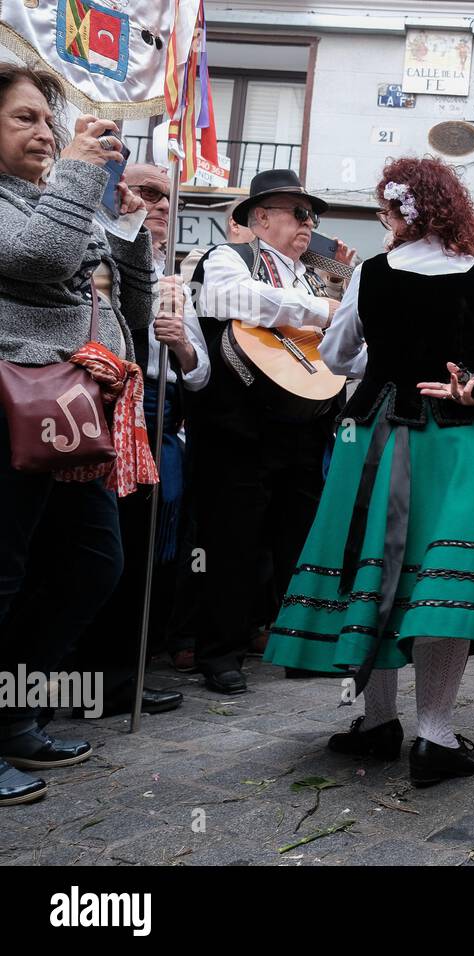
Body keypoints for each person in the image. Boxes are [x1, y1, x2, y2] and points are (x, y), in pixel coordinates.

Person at [263, 158, 474, 785]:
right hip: (461, 444)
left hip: (374, 438)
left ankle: (377, 724)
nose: (383, 221)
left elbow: (339, 354)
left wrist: (389, 354)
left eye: (385, 211)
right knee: (443, 584)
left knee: (379, 574)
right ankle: (434, 735)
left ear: (401, 213)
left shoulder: (369, 275)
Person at [0, 65, 156, 804]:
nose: (43, 131)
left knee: (92, 563)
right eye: (22, 118)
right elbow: (37, 261)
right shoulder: (28, 203)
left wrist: (126, 232)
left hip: (75, 417)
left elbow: (125, 305)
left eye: (46, 119)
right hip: (12, 408)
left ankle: (13, 710)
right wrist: (75, 176)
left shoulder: (54, 199)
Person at [189, 169, 355, 694]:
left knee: (299, 536)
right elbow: (227, 300)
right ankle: (220, 651)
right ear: (259, 219)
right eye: (297, 212)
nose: (309, 223)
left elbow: (339, 347)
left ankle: (300, 643)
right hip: (239, 425)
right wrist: (323, 309)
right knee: (232, 539)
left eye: (312, 215)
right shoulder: (228, 258)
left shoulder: (315, 276)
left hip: (303, 425)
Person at [73, 163, 211, 718]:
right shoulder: (93, 249)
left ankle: (122, 676)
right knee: (100, 546)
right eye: (143, 191)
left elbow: (199, 373)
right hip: (101, 401)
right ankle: (74, 675)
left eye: (164, 195)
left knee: (146, 548)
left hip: (160, 413)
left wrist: (179, 345)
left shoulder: (174, 280)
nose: (155, 203)